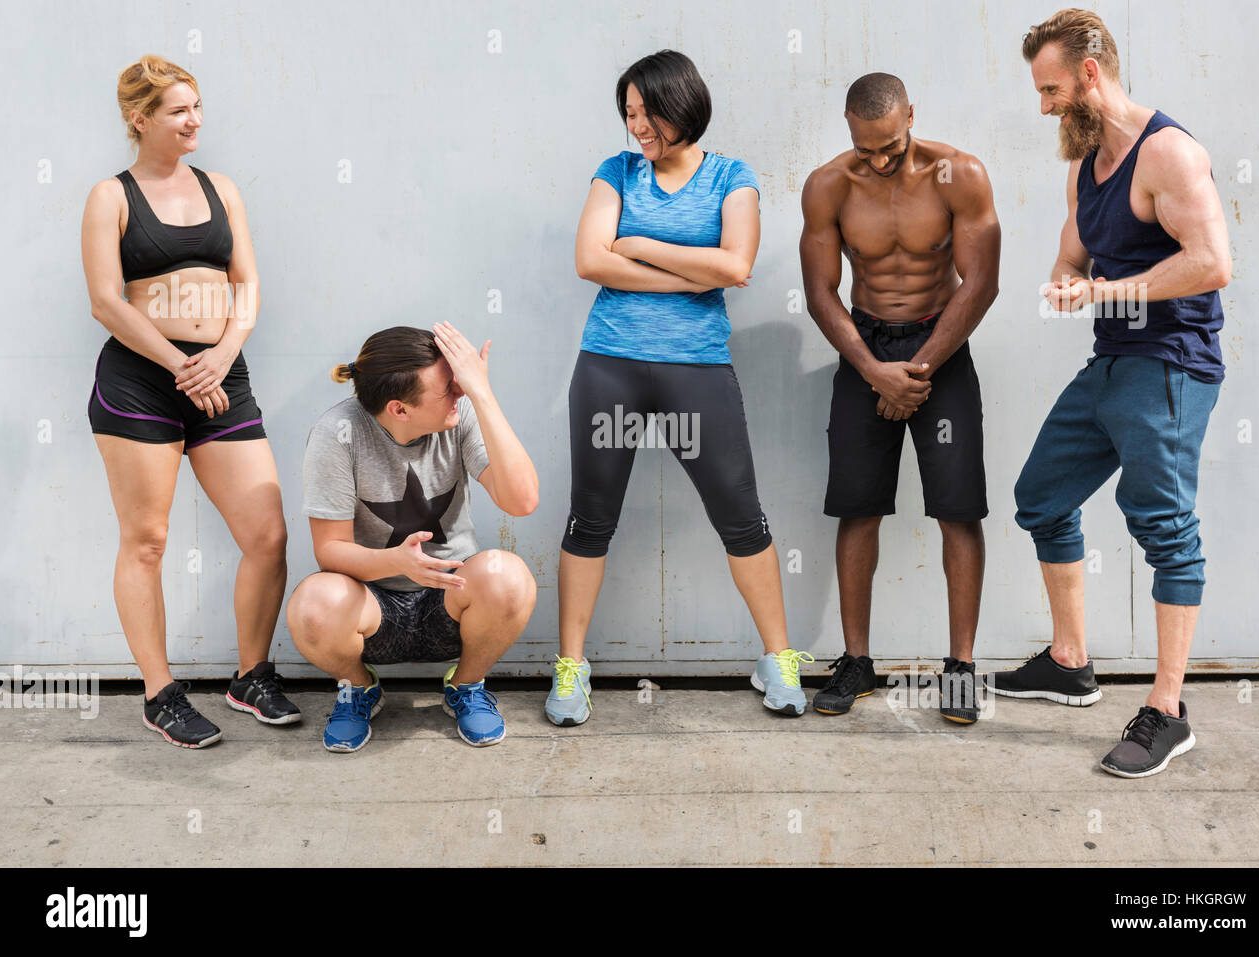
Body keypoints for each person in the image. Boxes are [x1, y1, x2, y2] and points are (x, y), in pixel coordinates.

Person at [992, 9, 1231, 777]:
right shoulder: (1085, 160)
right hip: (1113, 361)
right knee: (1041, 495)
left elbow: (1211, 263)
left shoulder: (1170, 154)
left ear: (1091, 74)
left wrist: (1110, 291)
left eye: (1052, 88)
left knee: (1161, 523)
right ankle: (1070, 660)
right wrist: (1067, 285)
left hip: (1171, 363)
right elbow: (1073, 255)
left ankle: (1167, 708)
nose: (1045, 106)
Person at [550, 49, 812, 725]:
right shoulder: (615, 172)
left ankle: (777, 657)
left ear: (681, 105)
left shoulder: (733, 175)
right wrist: (694, 274)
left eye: (647, 112)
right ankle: (571, 666)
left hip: (696, 369)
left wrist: (633, 244)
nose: (637, 126)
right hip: (610, 363)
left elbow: (736, 262)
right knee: (590, 515)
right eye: (629, 113)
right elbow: (588, 259)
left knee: (740, 515)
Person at [82, 55, 296, 748]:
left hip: (221, 376)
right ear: (140, 120)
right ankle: (160, 692)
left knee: (267, 534)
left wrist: (224, 356)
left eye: (197, 106)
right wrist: (180, 363)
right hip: (142, 381)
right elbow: (106, 302)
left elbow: (249, 285)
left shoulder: (221, 188)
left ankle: (250, 677)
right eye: (178, 110)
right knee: (147, 541)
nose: (195, 119)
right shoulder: (110, 197)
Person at [799, 73, 1001, 723]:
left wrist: (913, 372)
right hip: (865, 348)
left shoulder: (960, 174)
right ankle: (857, 662)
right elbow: (822, 293)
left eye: (889, 146)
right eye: (866, 148)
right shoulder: (830, 185)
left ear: (911, 115)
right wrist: (872, 369)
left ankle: (961, 667)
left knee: (958, 508)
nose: (879, 160)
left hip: (939, 347)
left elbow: (982, 283)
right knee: (858, 508)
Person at [289, 324, 538, 752]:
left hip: (449, 599)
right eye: (450, 387)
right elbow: (329, 550)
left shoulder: (461, 414)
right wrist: (398, 564)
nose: (459, 392)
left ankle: (467, 685)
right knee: (313, 605)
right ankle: (359, 688)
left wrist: (483, 394)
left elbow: (522, 500)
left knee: (508, 577)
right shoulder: (337, 433)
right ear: (400, 409)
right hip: (374, 608)